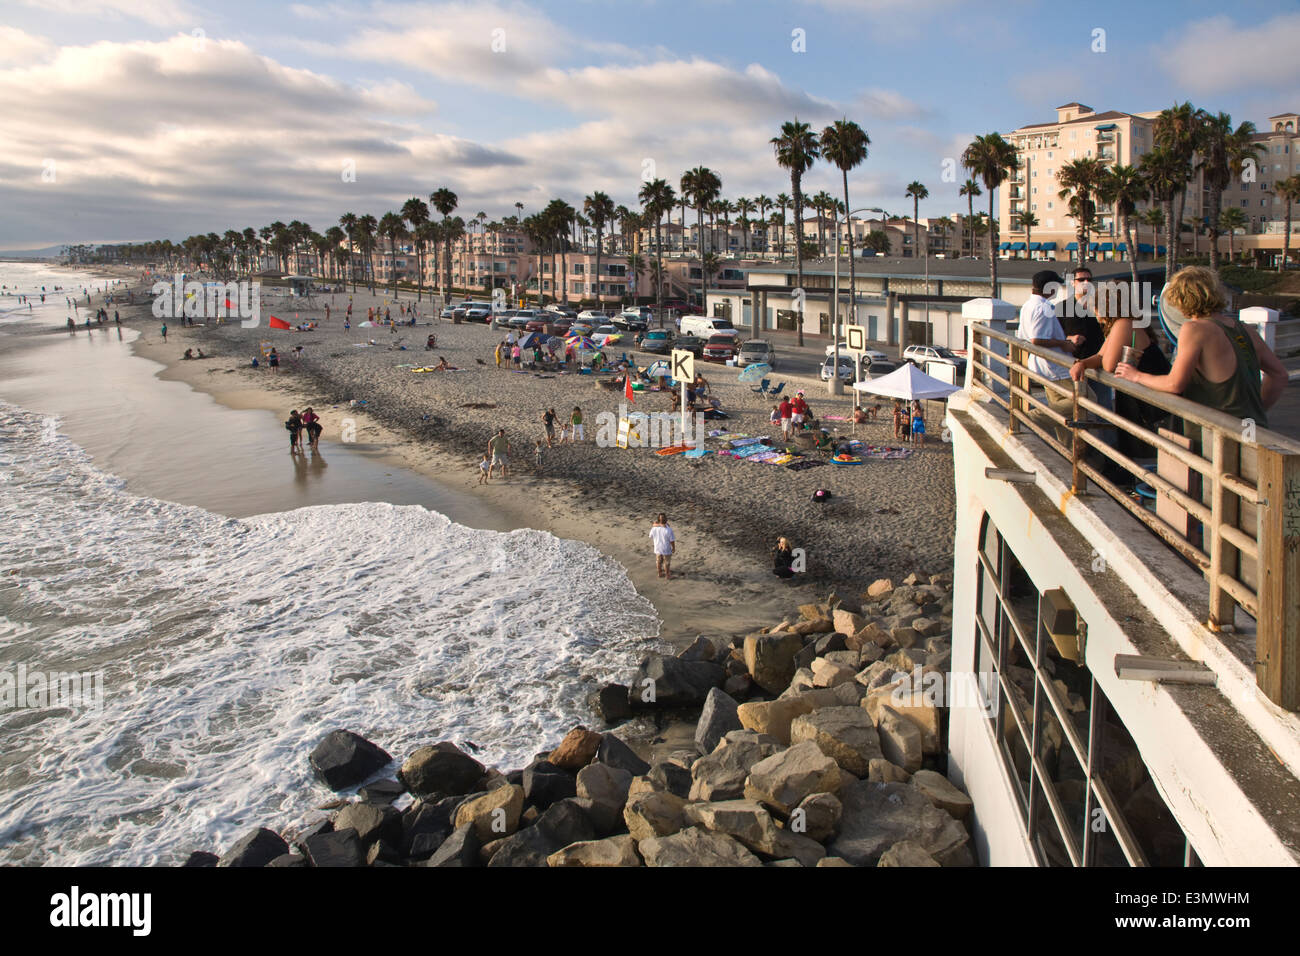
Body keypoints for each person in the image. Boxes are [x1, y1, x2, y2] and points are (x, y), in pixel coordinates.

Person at [1115, 266, 1286, 434]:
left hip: (1218, 435)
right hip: (1253, 431)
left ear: (1179, 299)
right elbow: (1279, 375)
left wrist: (1136, 375)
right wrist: (1258, 410)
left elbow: (1174, 384)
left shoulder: (1194, 329)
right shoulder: (1246, 329)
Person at [1070, 296, 1172, 460]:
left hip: (1151, 402)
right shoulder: (1124, 324)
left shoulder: (1123, 324)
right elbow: (1100, 356)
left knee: (1141, 453)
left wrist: (1094, 359)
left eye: (1095, 307)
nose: (1094, 313)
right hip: (1140, 397)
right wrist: (1082, 363)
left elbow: (1108, 364)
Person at [1017, 269, 1087, 446]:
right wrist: (1064, 344)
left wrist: (1066, 340)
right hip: (1056, 368)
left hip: (1043, 367)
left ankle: (1066, 452)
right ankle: (1032, 417)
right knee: (1086, 401)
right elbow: (1037, 338)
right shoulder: (1043, 308)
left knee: (1064, 417)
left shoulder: (1028, 305)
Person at [649, 513, 676, 580]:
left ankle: (660, 573)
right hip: (666, 549)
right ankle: (667, 575)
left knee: (658, 561)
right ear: (666, 519)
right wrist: (673, 548)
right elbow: (672, 540)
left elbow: (650, 536)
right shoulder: (669, 530)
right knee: (666, 563)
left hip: (657, 547)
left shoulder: (654, 528)